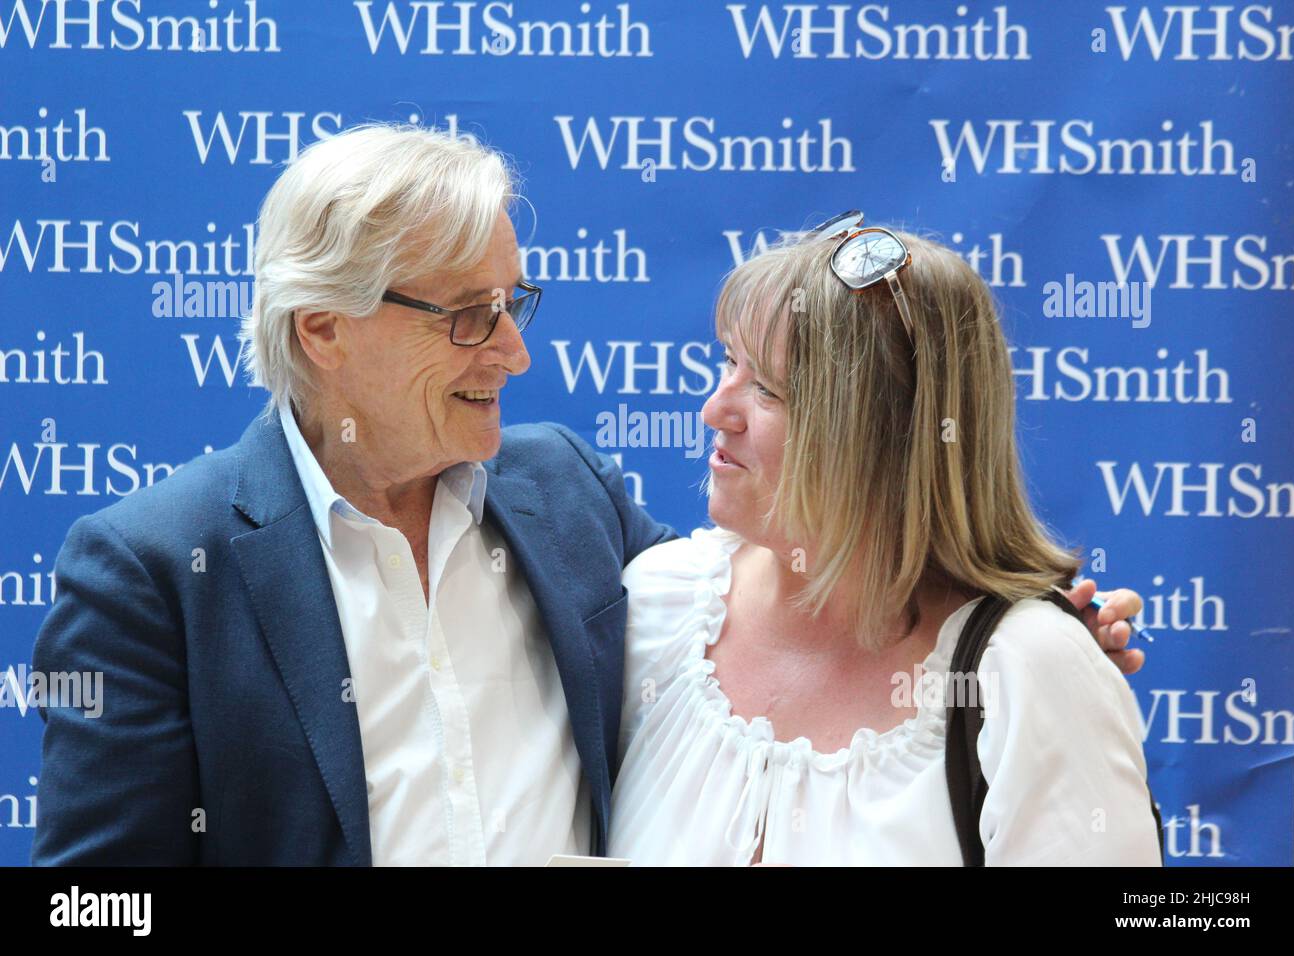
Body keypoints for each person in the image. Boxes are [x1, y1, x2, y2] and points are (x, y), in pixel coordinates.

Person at [31, 126, 1143, 866]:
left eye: (515, 301)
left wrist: (1030, 628)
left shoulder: (573, 502)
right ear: (325, 328)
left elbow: (827, 580)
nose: (511, 351)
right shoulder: (156, 568)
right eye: (466, 313)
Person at [607, 218, 1163, 866]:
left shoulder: (1025, 672)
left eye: (766, 389)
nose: (714, 409)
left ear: (881, 442)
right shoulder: (655, 607)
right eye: (730, 362)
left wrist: (1050, 667)